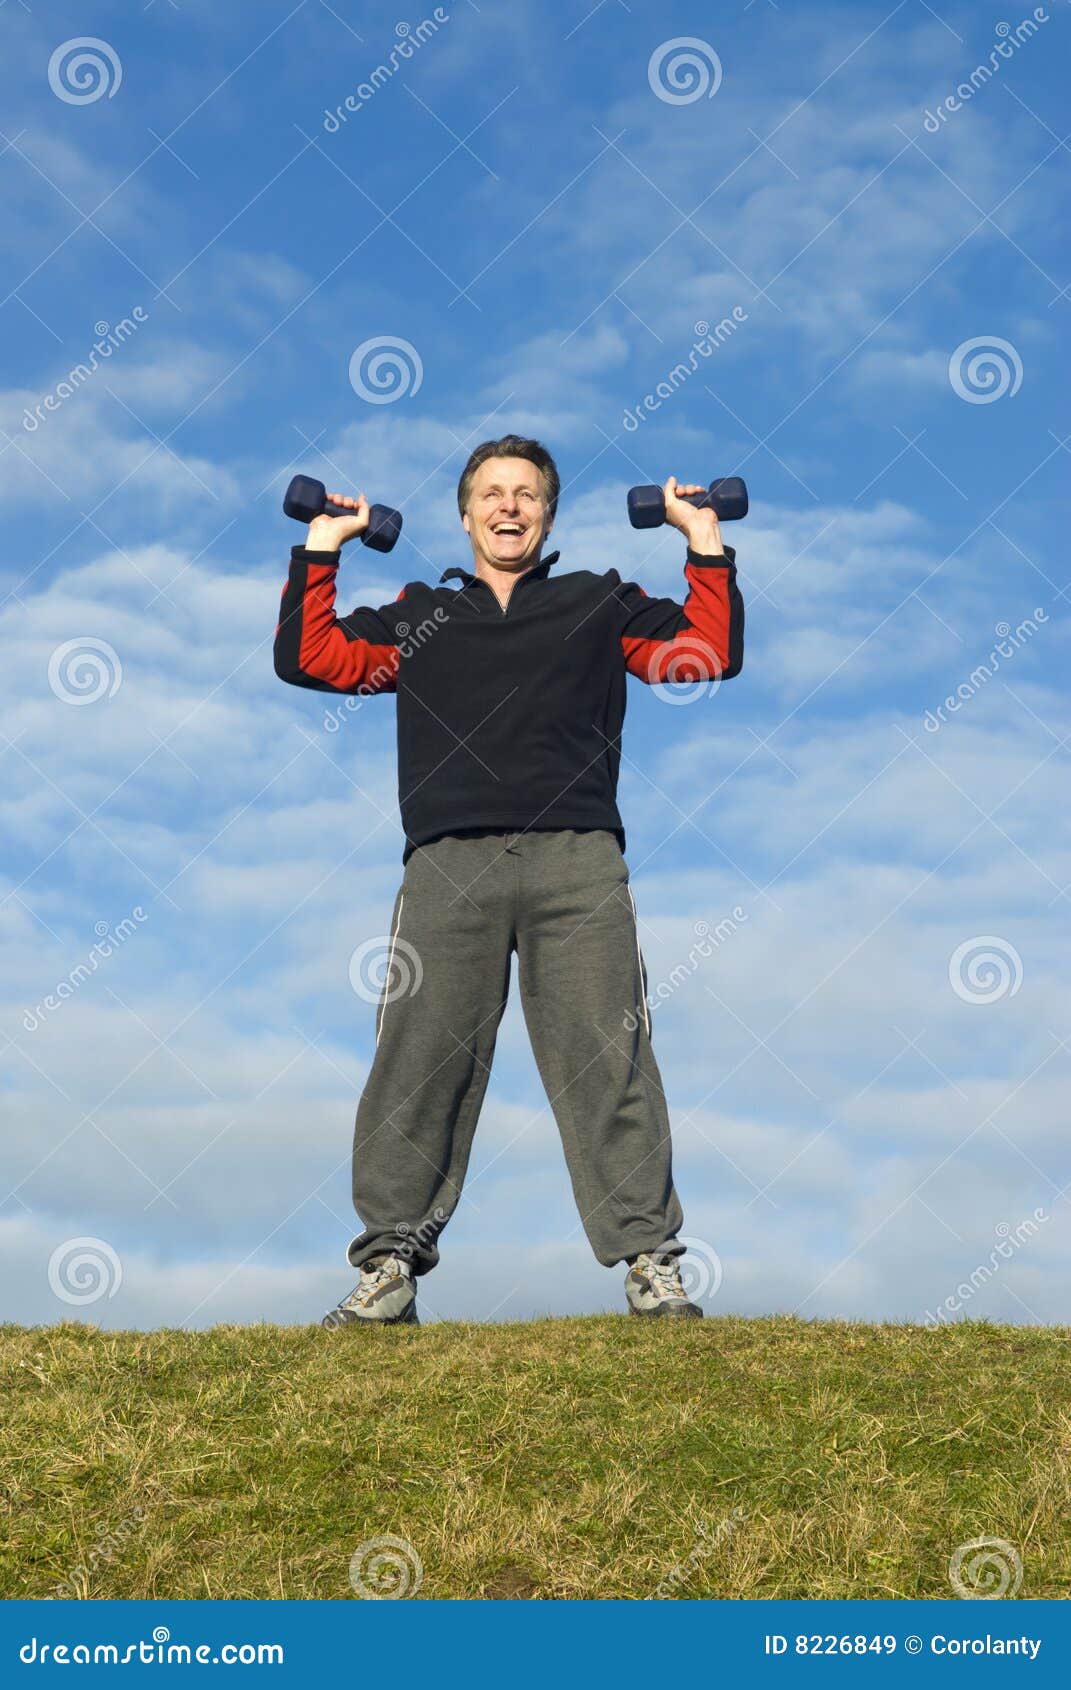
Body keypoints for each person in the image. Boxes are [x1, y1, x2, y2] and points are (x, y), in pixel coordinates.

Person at [274, 435, 744, 1326]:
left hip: (577, 864)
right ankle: (388, 1271)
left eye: (525, 493)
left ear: (547, 514)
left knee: (608, 1056)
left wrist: (702, 538)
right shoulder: (418, 617)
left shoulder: (599, 602)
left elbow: (702, 653)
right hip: (450, 864)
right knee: (416, 1061)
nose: (508, 506)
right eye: (491, 492)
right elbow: (315, 658)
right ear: (464, 514)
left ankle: (651, 1262)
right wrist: (322, 549)